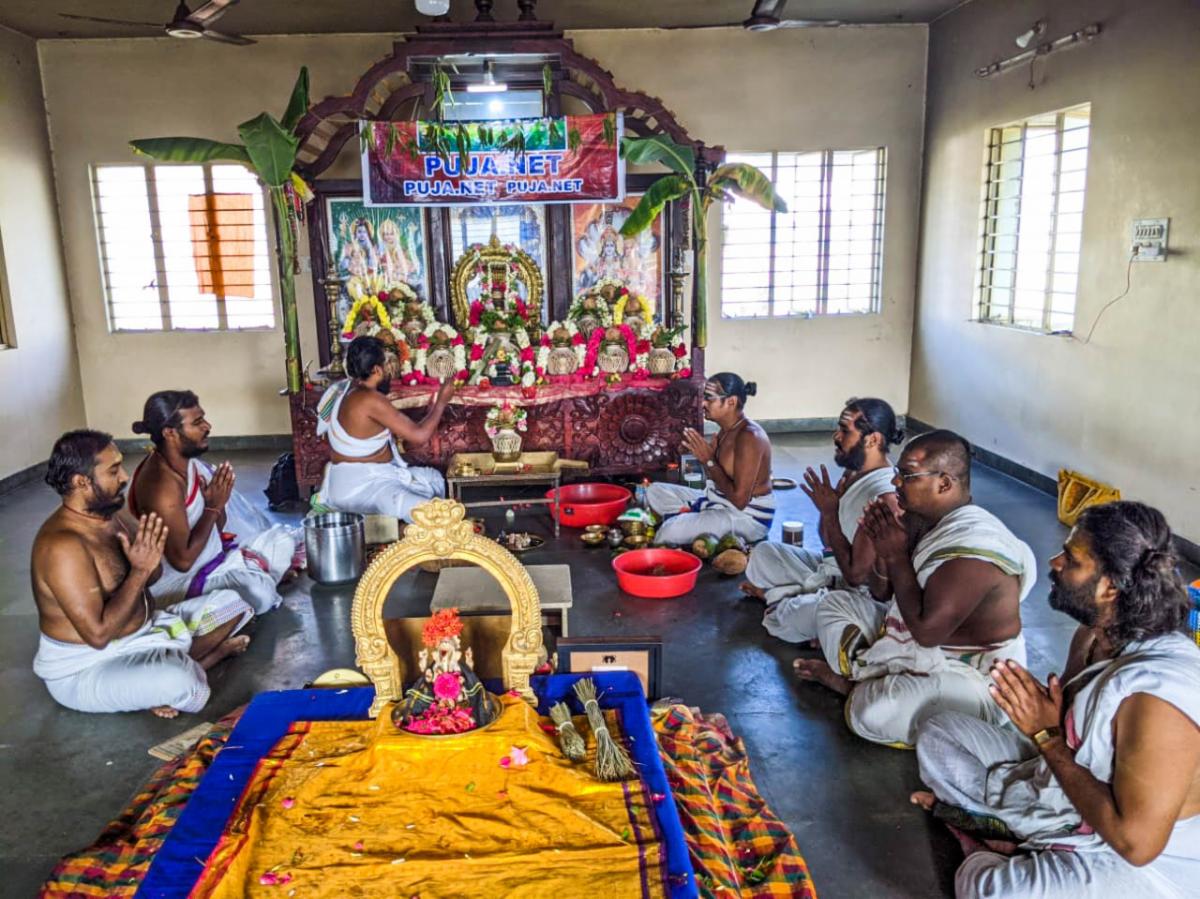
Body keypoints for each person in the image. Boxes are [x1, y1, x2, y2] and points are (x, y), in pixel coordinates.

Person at [912, 501, 1200, 898]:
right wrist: (1035, 706)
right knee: (937, 732)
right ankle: (1023, 832)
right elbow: (1070, 732)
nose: (1054, 561)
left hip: (1140, 861)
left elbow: (1138, 846)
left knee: (989, 891)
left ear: (1110, 586)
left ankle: (994, 844)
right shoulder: (1092, 637)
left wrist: (1045, 733)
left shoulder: (1156, 699)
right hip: (1067, 792)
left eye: (1071, 557)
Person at [795, 430, 1036, 748]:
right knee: (835, 604)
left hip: (970, 678)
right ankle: (875, 676)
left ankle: (855, 684)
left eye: (906, 475)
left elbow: (927, 633)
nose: (895, 483)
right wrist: (881, 549)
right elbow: (882, 593)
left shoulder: (973, 551)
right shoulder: (918, 520)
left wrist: (895, 554)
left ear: (944, 483)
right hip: (919, 645)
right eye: (897, 473)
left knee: (874, 712)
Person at [31, 431, 252, 717]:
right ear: (80, 481)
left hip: (145, 631)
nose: (124, 477)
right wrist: (139, 571)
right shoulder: (62, 546)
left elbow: (154, 575)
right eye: (113, 470)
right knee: (183, 684)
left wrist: (146, 563)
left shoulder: (112, 514)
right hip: (88, 667)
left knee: (233, 602)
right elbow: (98, 636)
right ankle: (200, 660)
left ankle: (170, 669)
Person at [128, 391, 302, 616]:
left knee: (283, 541)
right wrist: (213, 506)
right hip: (181, 582)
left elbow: (215, 531)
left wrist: (216, 506)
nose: (208, 426)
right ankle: (213, 611)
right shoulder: (162, 486)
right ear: (170, 433)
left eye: (204, 419)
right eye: (197, 422)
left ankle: (254, 577)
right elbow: (182, 562)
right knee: (260, 594)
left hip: (209, 561)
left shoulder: (187, 464)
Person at [743, 398, 903, 643]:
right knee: (763, 553)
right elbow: (827, 544)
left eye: (844, 430)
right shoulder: (852, 474)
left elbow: (855, 576)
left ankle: (783, 600)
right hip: (832, 571)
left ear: (873, 440)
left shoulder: (883, 496)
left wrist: (830, 513)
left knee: (795, 616)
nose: (836, 436)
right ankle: (795, 598)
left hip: (859, 596)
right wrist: (828, 512)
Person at [314, 335, 454, 522]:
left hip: (350, 480)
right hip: (364, 487)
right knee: (432, 513)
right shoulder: (369, 399)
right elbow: (419, 435)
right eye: (386, 364)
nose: (389, 370)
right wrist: (442, 401)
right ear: (377, 369)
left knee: (434, 479)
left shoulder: (341, 388)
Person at [646, 373, 775, 546]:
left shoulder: (750, 437)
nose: (703, 403)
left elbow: (739, 501)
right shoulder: (726, 430)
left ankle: (691, 521)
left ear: (731, 402)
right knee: (654, 491)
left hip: (747, 517)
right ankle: (695, 520)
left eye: (709, 399)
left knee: (668, 532)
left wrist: (709, 460)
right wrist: (698, 457)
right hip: (718, 501)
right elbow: (718, 478)